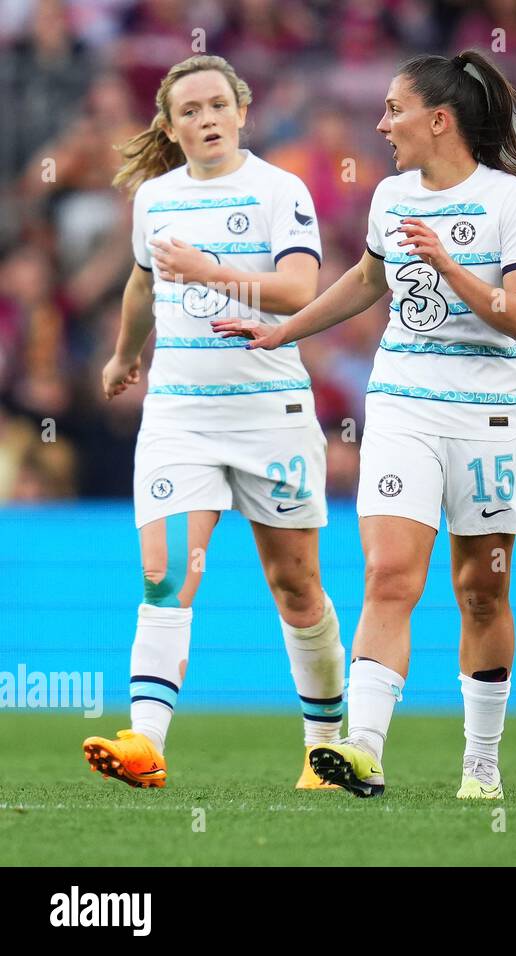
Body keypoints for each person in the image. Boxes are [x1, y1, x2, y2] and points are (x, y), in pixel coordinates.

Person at [214, 51, 516, 801]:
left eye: (394, 109)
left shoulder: (510, 201)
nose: (381, 122)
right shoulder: (391, 197)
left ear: (440, 119)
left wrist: (453, 269)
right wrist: (285, 328)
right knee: (388, 576)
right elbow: (368, 280)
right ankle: (360, 750)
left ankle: (481, 763)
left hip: (489, 416)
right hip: (401, 404)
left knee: (481, 592)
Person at [83, 55, 345, 791]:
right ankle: (145, 744)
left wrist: (208, 271)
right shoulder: (155, 199)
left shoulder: (278, 190)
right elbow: (140, 281)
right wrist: (123, 355)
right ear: (169, 126)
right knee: (165, 573)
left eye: (216, 105)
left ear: (242, 111)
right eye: (188, 110)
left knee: (295, 586)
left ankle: (324, 749)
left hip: (272, 417)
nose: (205, 119)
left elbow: (299, 289)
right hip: (179, 417)